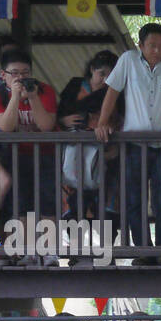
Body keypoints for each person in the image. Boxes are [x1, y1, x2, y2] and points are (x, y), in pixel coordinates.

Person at [94, 23, 161, 265]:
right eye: (152, 46)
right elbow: (112, 92)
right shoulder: (128, 60)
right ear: (140, 45)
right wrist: (102, 122)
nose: (157, 51)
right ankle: (143, 251)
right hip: (133, 143)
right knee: (134, 201)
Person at [0, 48, 62, 265]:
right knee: (20, 203)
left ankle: (48, 252)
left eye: (25, 73)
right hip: (15, 155)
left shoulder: (45, 90)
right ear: (3, 75)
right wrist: (15, 96)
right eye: (14, 73)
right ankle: (27, 251)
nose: (20, 77)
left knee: (48, 202)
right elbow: (6, 126)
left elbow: (46, 125)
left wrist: (33, 97)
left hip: (46, 154)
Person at [58, 50, 119, 247]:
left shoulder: (117, 93)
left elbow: (121, 120)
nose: (105, 80)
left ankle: (106, 254)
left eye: (111, 76)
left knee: (106, 207)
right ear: (91, 70)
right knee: (74, 206)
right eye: (102, 74)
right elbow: (60, 114)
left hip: (105, 158)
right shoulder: (75, 87)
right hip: (75, 159)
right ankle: (75, 252)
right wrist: (64, 119)